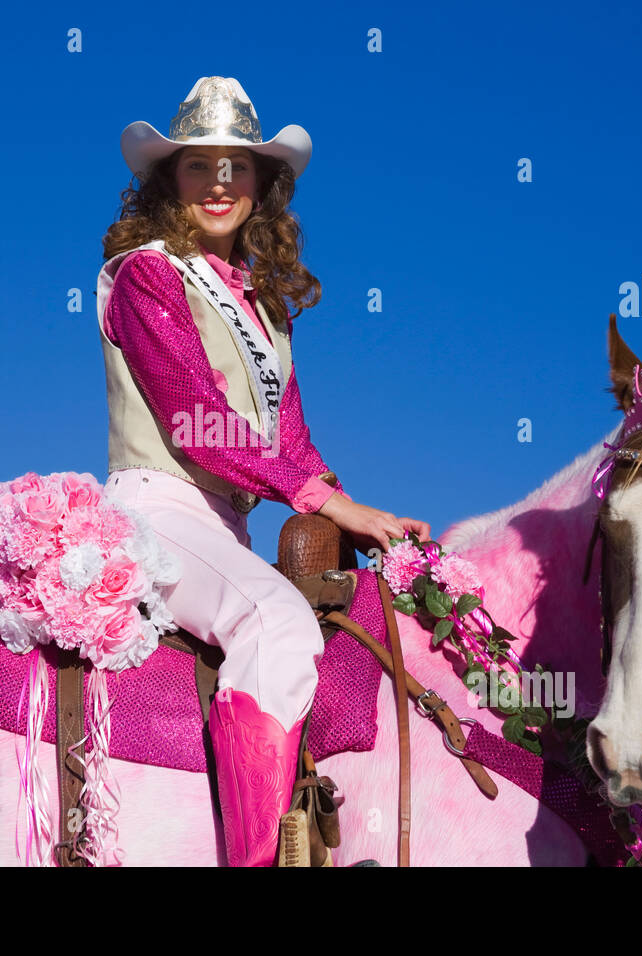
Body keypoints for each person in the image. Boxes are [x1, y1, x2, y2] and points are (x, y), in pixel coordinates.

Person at [95, 76, 431, 866]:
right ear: (166, 182)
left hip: (229, 527)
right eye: (198, 167)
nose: (219, 185)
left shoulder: (264, 311)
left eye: (237, 168)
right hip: (160, 506)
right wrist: (323, 502)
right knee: (275, 623)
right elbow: (193, 418)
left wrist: (366, 515)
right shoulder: (148, 274)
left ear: (263, 186)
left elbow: (296, 444)